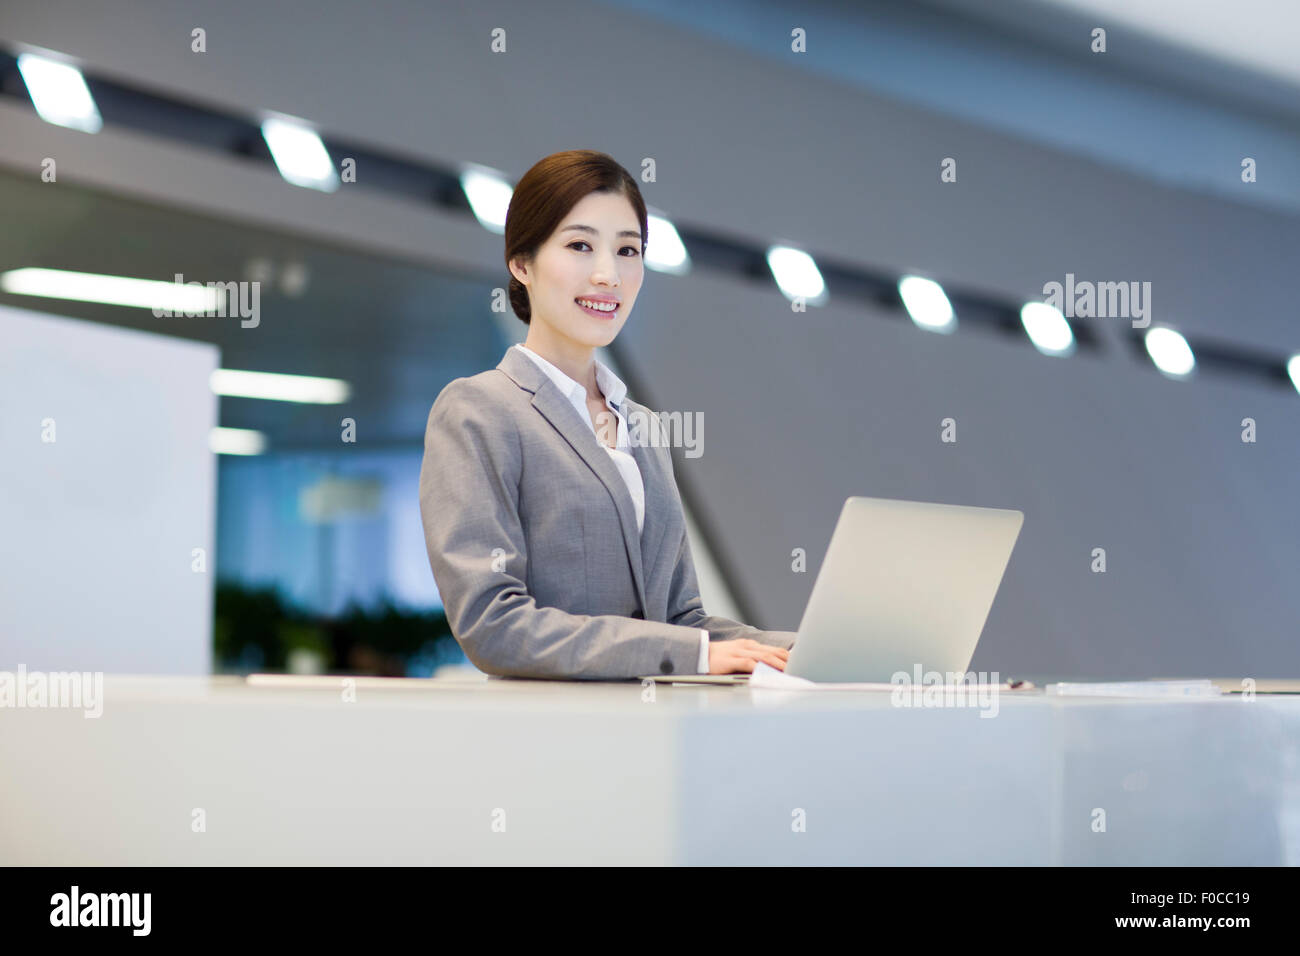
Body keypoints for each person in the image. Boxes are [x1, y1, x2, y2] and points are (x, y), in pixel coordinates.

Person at [419, 149, 796, 679]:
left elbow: (680, 619)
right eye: (579, 246)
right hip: (559, 740)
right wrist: (693, 655)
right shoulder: (479, 411)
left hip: (660, 739)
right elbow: (493, 624)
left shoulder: (642, 426)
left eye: (627, 250)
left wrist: (807, 648)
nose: (608, 275)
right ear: (521, 263)